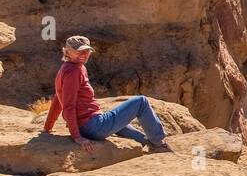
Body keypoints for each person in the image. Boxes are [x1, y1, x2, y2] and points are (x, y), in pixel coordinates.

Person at [42, 35, 170, 153]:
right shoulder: (73, 71)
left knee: (120, 124)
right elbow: (68, 105)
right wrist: (77, 137)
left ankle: (148, 142)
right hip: (93, 127)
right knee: (141, 102)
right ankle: (158, 142)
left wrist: (48, 127)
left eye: (87, 51)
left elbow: (58, 98)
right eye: (78, 51)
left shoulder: (67, 68)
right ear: (67, 51)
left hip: (88, 126)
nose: (84, 54)